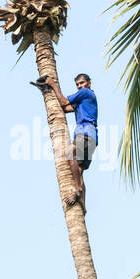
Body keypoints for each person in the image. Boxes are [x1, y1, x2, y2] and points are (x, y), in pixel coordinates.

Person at [33, 72, 97, 208]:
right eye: (78, 84)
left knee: (69, 152)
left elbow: (64, 101)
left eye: (82, 83)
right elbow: (65, 107)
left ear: (89, 83)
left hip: (85, 132)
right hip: (90, 136)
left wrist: (53, 85)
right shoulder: (82, 100)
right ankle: (83, 206)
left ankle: (78, 189)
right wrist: (47, 93)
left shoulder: (86, 92)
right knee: (79, 171)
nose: (80, 86)